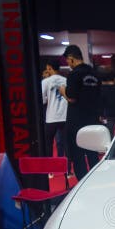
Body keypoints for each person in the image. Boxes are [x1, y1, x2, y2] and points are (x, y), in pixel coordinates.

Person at [59, 45, 101, 180]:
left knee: (78, 154)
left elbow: (71, 97)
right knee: (92, 153)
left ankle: (83, 182)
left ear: (71, 59)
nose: (68, 65)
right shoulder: (94, 73)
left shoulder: (74, 74)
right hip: (92, 120)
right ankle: (95, 180)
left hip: (76, 122)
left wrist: (63, 92)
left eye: (67, 61)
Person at [41, 60, 68, 157]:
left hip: (51, 117)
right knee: (66, 143)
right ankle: (67, 170)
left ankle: (49, 170)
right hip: (65, 116)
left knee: (48, 143)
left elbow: (42, 100)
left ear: (49, 68)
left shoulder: (45, 82)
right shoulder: (66, 80)